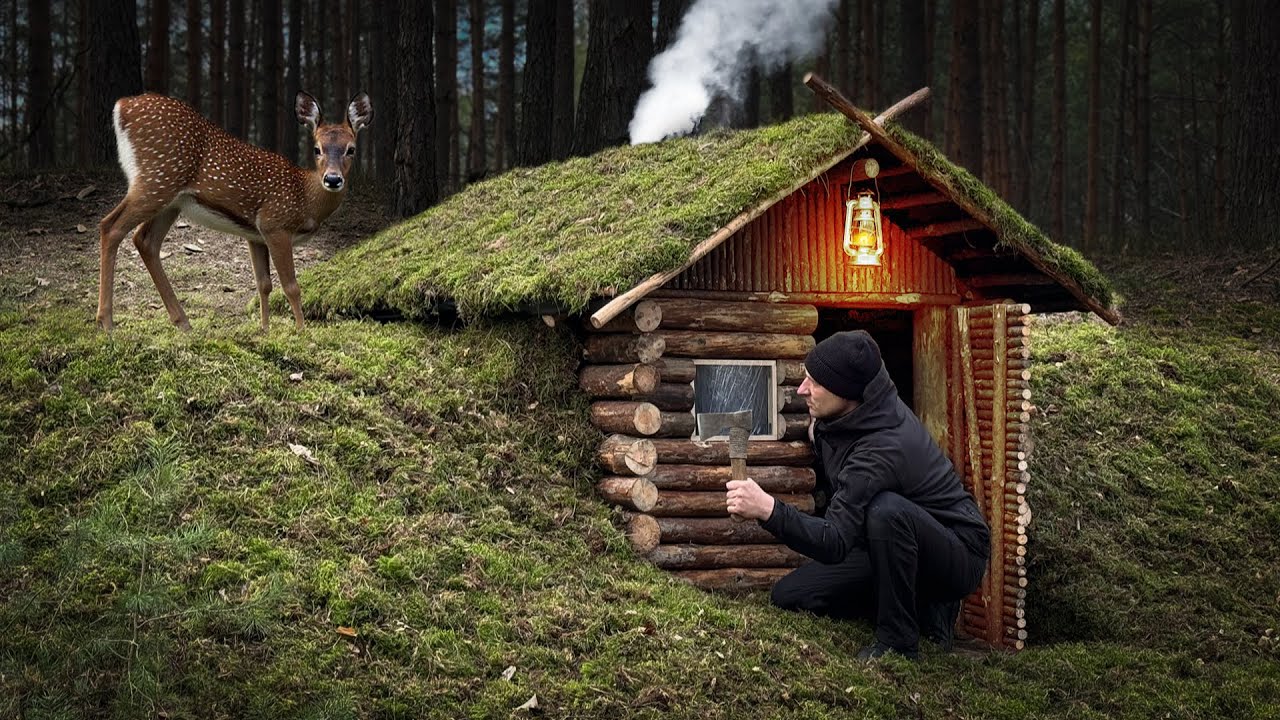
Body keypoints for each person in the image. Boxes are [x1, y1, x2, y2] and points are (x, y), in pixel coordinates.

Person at [726, 330, 990, 661]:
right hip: (889, 546)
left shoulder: (882, 448)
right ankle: (911, 604)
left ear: (846, 393)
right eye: (806, 378)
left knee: (886, 510)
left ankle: (900, 641)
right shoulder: (856, 409)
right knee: (790, 595)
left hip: (955, 552)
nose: (802, 390)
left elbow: (834, 541)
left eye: (815, 383)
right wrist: (816, 431)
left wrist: (767, 509)